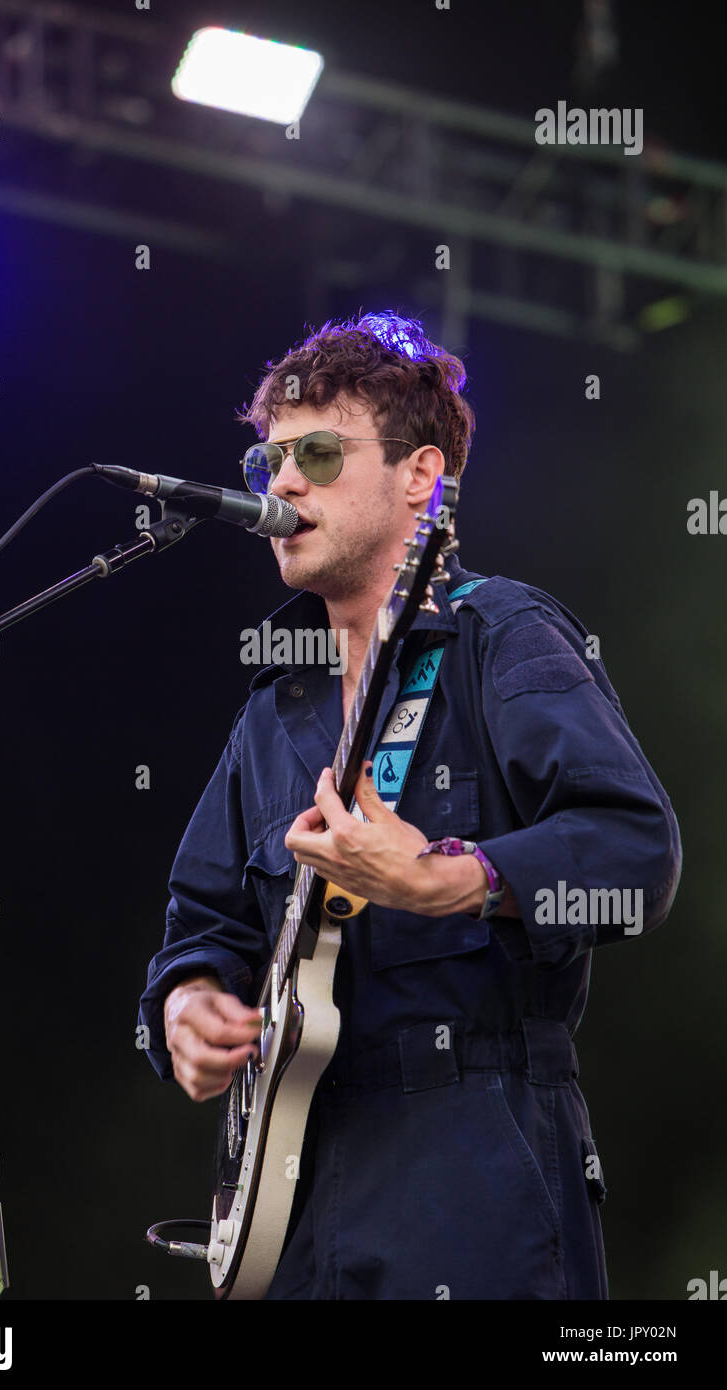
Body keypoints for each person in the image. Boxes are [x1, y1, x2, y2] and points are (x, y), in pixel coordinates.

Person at [138, 311, 681, 1300]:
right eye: (267, 461)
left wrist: (438, 879)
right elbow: (200, 923)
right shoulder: (273, 704)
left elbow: (632, 858)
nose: (283, 482)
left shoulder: (499, 636)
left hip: (475, 1170)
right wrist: (187, 1003)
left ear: (419, 476)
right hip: (294, 1209)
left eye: (315, 453)